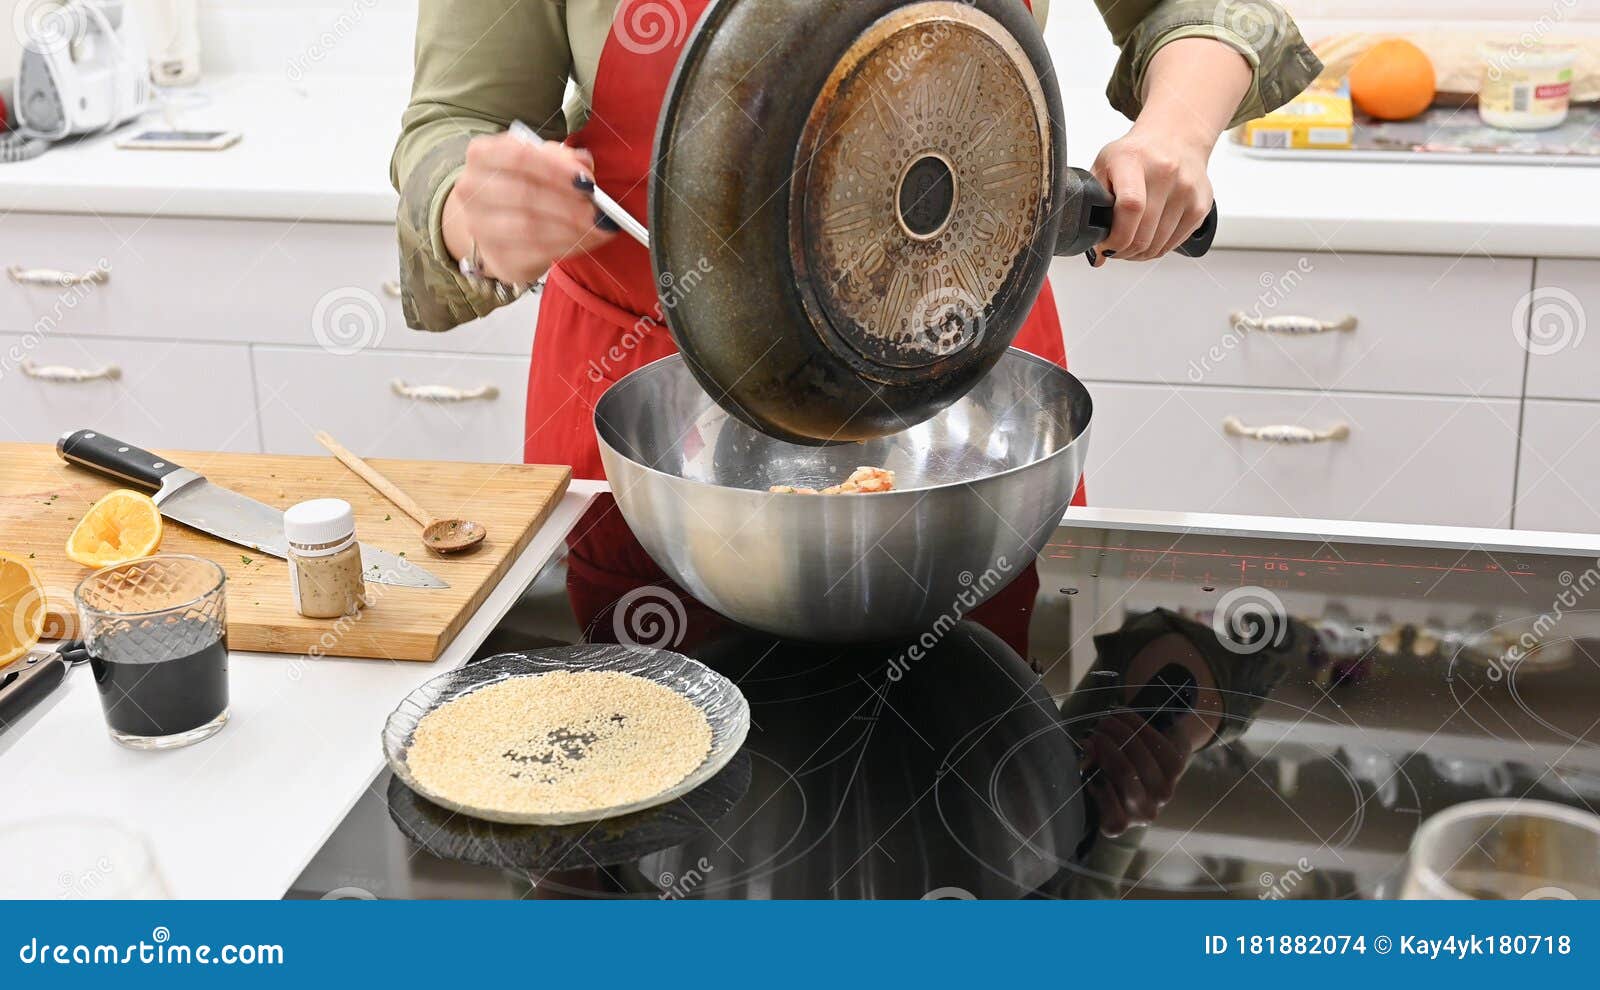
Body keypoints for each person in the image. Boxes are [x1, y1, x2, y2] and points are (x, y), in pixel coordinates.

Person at [390, 0, 1320, 617]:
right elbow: (448, 125)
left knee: (980, 757)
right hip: (649, 418)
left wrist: (1175, 130)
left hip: (961, 398)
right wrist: (474, 209)